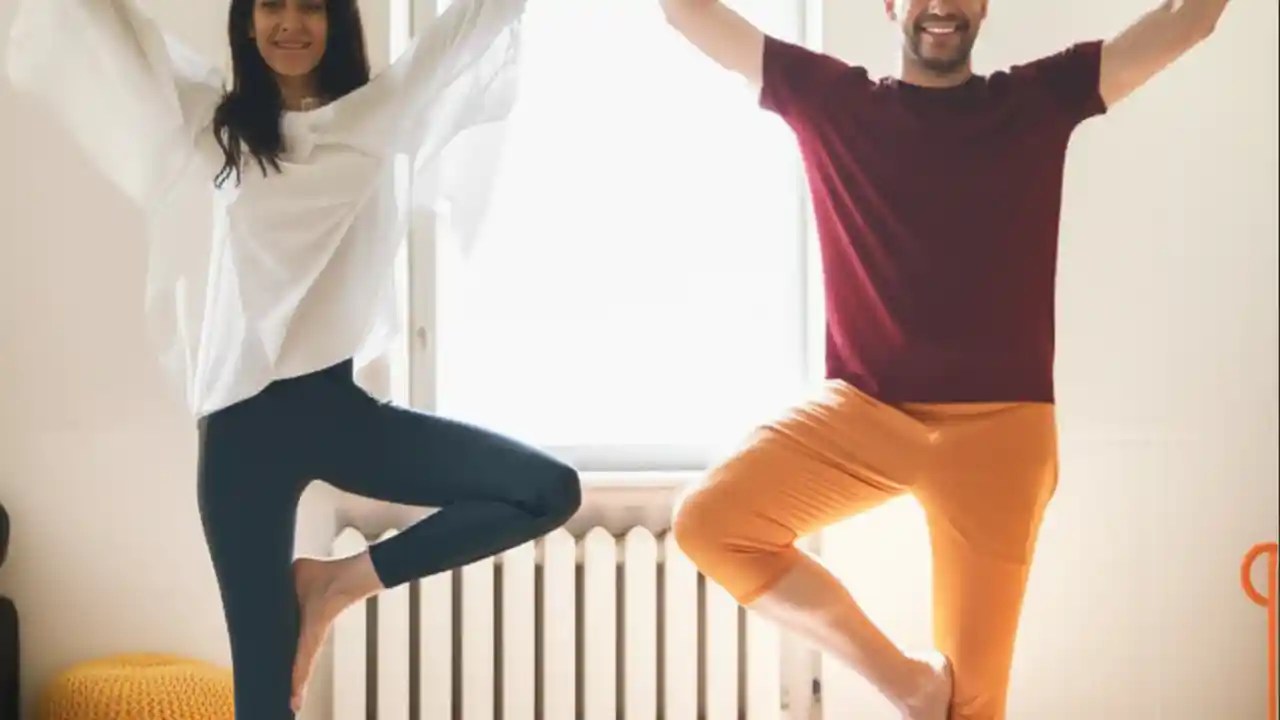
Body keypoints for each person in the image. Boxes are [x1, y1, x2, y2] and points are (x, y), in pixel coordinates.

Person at [5, 0, 582, 717]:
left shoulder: (385, 112)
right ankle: (321, 598)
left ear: (338, 21)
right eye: (271, 5)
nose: (290, 23)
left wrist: (359, 573)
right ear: (246, 22)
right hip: (242, 436)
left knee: (549, 490)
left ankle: (336, 583)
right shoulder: (207, 122)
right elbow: (108, 30)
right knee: (265, 701)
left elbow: (481, 17)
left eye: (311, 6)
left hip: (339, 412)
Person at [661, 0, 1231, 718]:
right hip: (862, 412)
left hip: (1003, 434)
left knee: (976, 707)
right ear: (892, 5)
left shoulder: (1037, 99)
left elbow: (1191, 20)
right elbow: (686, 12)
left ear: (984, 6)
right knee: (710, 523)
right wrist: (903, 680)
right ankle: (908, 686)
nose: (941, 6)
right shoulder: (830, 100)